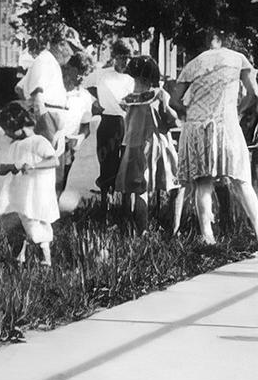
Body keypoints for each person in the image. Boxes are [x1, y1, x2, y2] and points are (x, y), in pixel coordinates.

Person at [170, 31, 258, 244]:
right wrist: (238, 111)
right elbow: (254, 94)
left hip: (197, 126)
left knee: (203, 183)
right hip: (226, 123)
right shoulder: (238, 58)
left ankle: (207, 237)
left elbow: (174, 101)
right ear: (225, 40)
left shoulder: (193, 63)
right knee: (242, 180)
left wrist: (189, 113)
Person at [116, 56, 183, 235]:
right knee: (177, 185)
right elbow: (172, 121)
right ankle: (174, 229)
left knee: (140, 189)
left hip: (133, 145)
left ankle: (142, 231)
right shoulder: (159, 94)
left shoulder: (128, 99)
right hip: (157, 144)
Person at [0, 101, 60, 267]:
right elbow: (1, 169)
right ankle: (22, 258)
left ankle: (44, 260)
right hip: (21, 194)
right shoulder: (15, 146)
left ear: (19, 126)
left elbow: (54, 160)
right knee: (23, 223)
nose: (7, 134)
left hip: (37, 192)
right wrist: (11, 167)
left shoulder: (38, 141)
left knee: (37, 224)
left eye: (8, 130)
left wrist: (34, 166)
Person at [83, 39, 135, 206]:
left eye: (127, 57)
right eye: (121, 57)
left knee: (126, 163)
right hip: (108, 121)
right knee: (106, 162)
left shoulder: (131, 79)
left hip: (126, 122)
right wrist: (97, 100)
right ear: (114, 57)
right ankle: (106, 203)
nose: (124, 61)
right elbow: (85, 85)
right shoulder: (102, 74)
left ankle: (126, 207)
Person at [16, 26, 82, 144]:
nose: (72, 54)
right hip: (48, 122)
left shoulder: (49, 61)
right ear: (61, 44)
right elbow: (37, 96)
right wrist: (44, 125)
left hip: (53, 120)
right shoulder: (45, 61)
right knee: (48, 160)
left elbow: (20, 87)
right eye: (72, 48)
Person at [56, 52, 97, 197]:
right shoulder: (56, 89)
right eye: (79, 73)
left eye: (85, 75)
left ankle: (53, 216)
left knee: (61, 182)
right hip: (50, 140)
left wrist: (79, 138)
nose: (82, 78)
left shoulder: (85, 97)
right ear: (70, 69)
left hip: (68, 146)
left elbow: (86, 128)